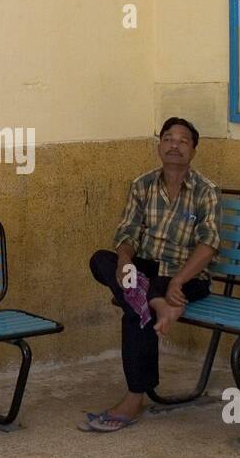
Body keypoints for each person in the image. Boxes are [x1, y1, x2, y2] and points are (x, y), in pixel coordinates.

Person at [82, 117, 221, 432]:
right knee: (100, 260)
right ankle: (155, 304)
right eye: (168, 138)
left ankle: (134, 398)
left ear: (194, 150)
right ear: (159, 145)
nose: (174, 145)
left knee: (134, 309)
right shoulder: (141, 185)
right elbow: (128, 232)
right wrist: (124, 262)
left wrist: (177, 281)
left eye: (183, 140)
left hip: (186, 277)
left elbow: (209, 245)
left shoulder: (205, 191)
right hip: (145, 270)